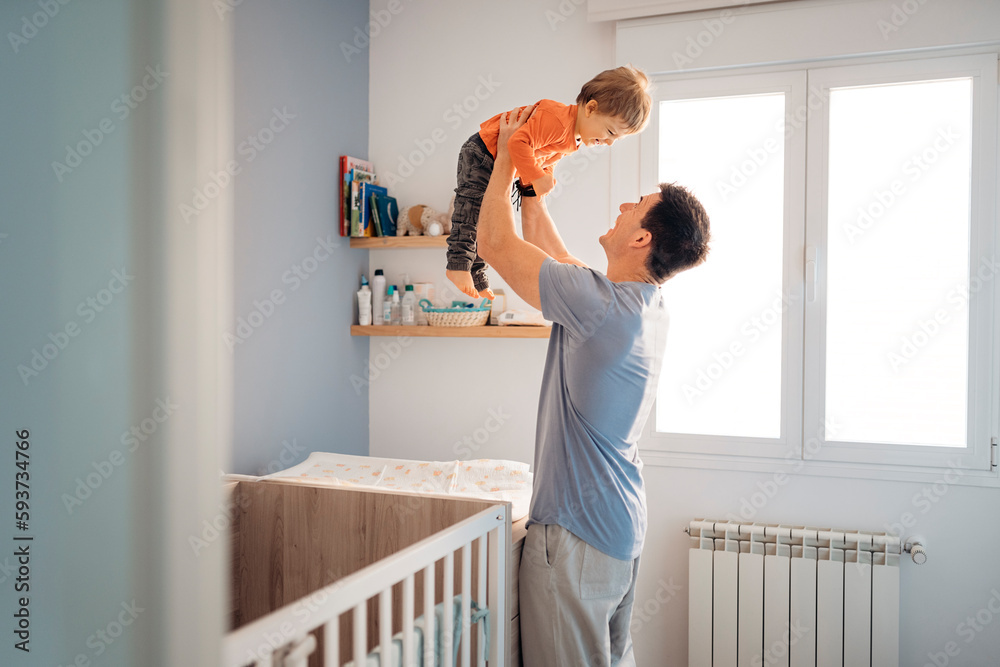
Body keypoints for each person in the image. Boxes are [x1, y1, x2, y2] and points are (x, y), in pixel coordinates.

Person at [476, 106, 711, 667]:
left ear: (642, 237)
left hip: (577, 537)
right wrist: (533, 188)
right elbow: (552, 255)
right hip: (620, 531)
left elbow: (493, 244)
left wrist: (508, 158)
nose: (626, 205)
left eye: (637, 207)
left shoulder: (598, 305)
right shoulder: (642, 306)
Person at [446, 65, 653, 300]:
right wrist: (535, 177)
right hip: (482, 152)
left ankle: (477, 274)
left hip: (496, 160)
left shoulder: (575, 138)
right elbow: (517, 143)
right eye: (610, 132)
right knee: (471, 210)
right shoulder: (557, 121)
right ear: (591, 108)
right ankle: (457, 264)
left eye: (617, 139)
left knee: (487, 220)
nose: (609, 143)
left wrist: (545, 176)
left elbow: (545, 155)